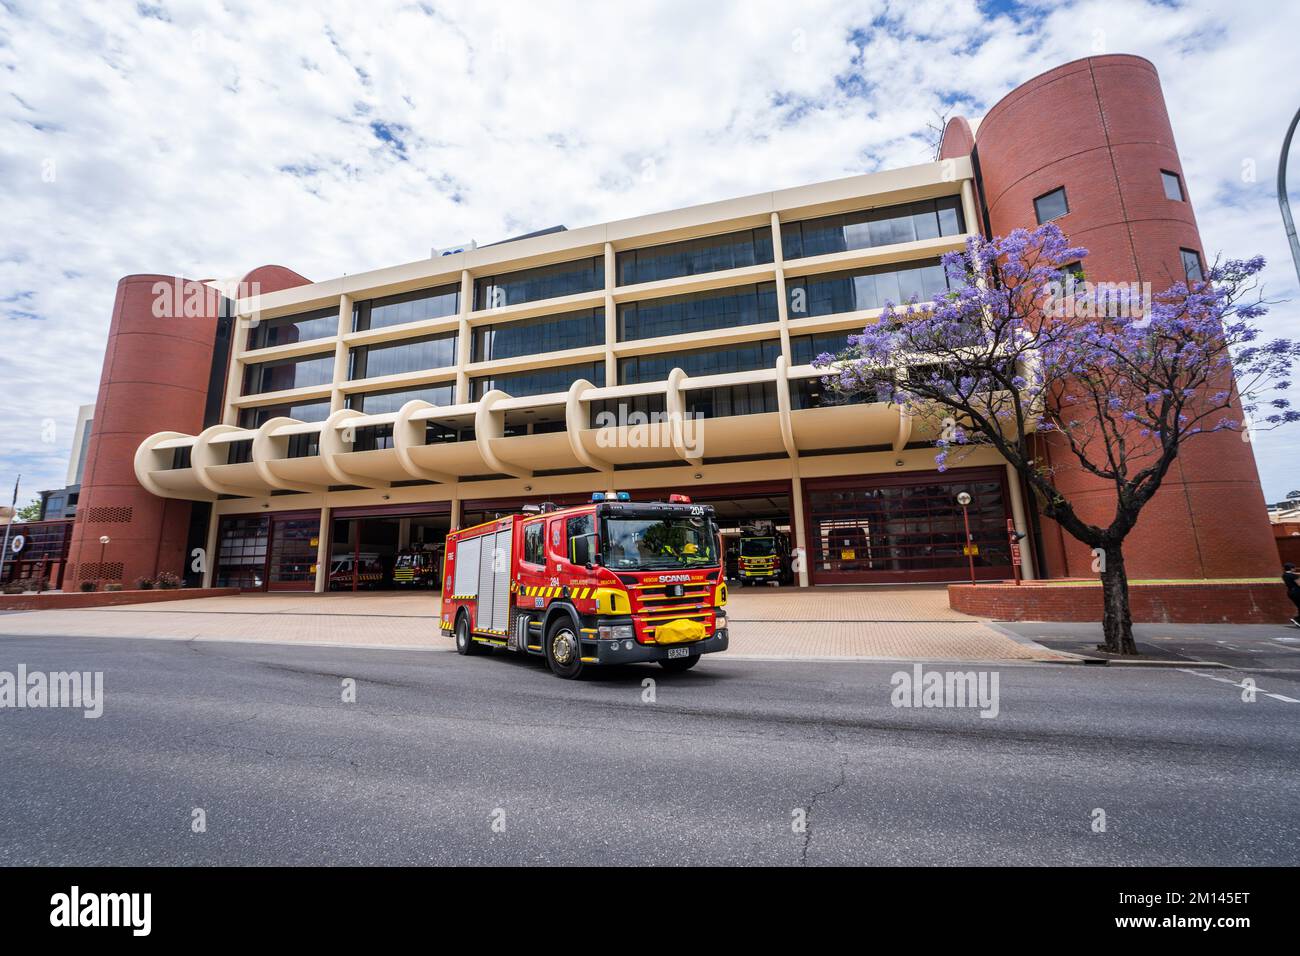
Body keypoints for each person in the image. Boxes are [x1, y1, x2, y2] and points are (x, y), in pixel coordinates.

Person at [1284, 562, 1300, 628]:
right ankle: (1297, 619)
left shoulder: (1284, 575)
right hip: (1297, 592)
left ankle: (1298, 620)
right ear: (1291, 568)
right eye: (1294, 568)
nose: (1295, 569)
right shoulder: (1294, 576)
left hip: (1290, 592)